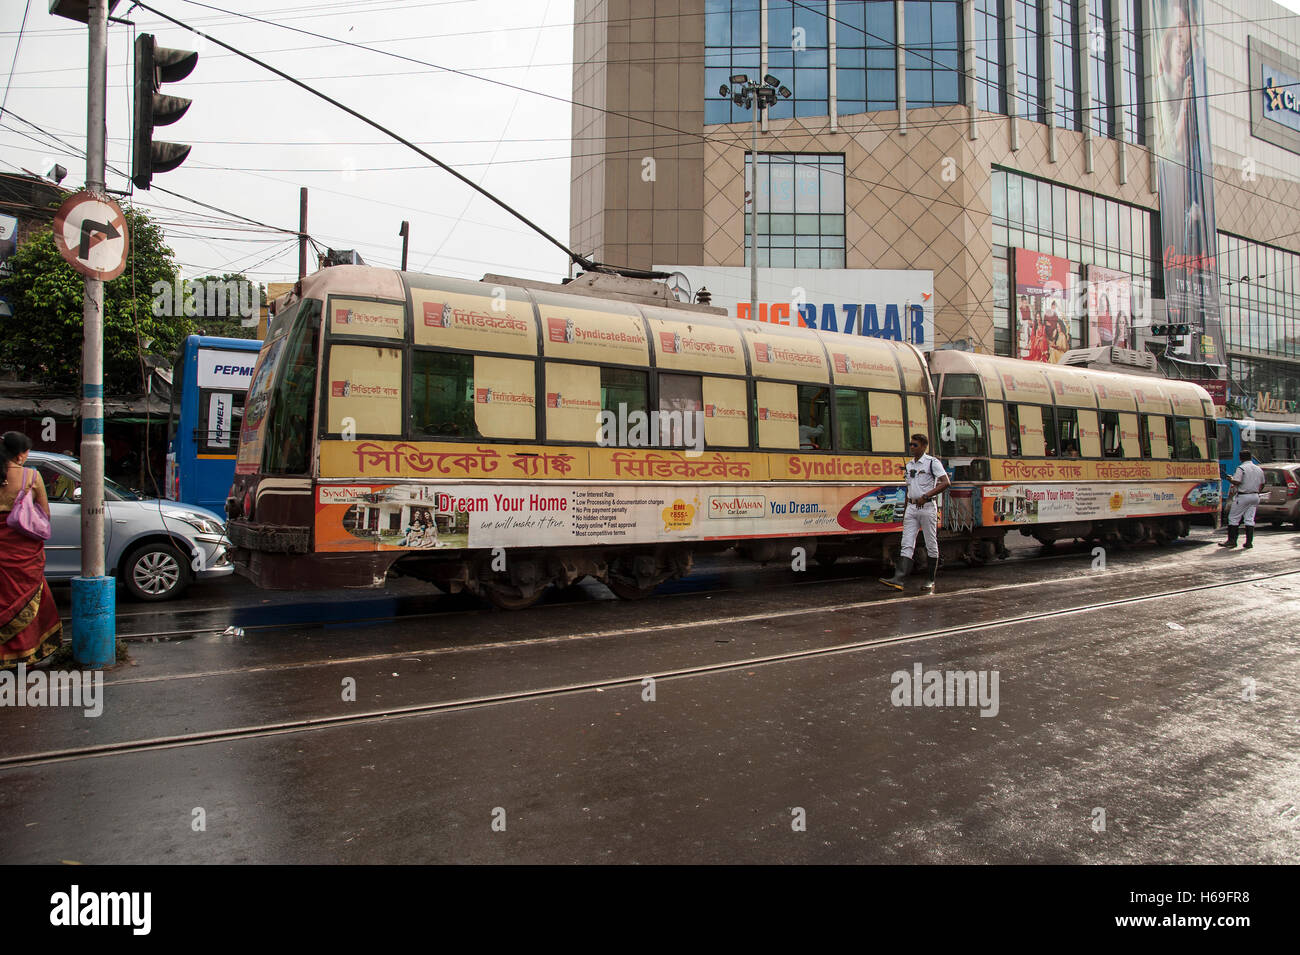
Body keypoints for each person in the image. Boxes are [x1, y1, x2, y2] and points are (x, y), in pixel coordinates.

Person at [0, 432, 62, 670]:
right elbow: (44, 514)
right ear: (19, 454)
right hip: (23, 550)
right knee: (24, 599)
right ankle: (23, 655)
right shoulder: (30, 475)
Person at [879, 433, 951, 592]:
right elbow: (908, 488)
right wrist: (905, 510)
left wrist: (926, 496)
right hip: (911, 508)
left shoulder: (932, 462)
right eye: (910, 444)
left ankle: (930, 579)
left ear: (924, 446)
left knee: (931, 543)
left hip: (926, 507)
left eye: (915, 445)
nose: (911, 447)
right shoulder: (910, 465)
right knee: (906, 543)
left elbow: (946, 482)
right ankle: (899, 579)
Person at [1220, 449, 1265, 549]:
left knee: (1233, 518)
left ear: (1241, 458)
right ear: (1250, 457)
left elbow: (1237, 481)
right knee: (1249, 519)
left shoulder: (1241, 468)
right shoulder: (1258, 469)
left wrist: (1230, 479)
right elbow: (1262, 484)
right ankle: (1249, 543)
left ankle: (1232, 541)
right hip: (1255, 496)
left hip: (1243, 496)